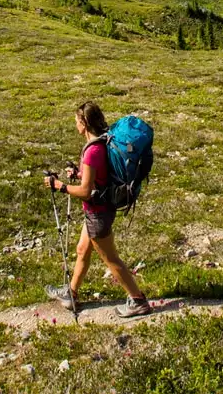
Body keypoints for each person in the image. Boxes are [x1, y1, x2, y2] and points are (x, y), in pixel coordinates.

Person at [43, 101, 152, 317]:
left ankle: (138, 300)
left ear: (84, 123)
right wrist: (80, 174)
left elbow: (86, 192)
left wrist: (60, 186)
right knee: (82, 250)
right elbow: (99, 177)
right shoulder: (102, 143)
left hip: (97, 213)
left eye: (76, 121)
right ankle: (71, 293)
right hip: (100, 209)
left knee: (111, 259)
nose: (75, 125)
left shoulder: (91, 151)